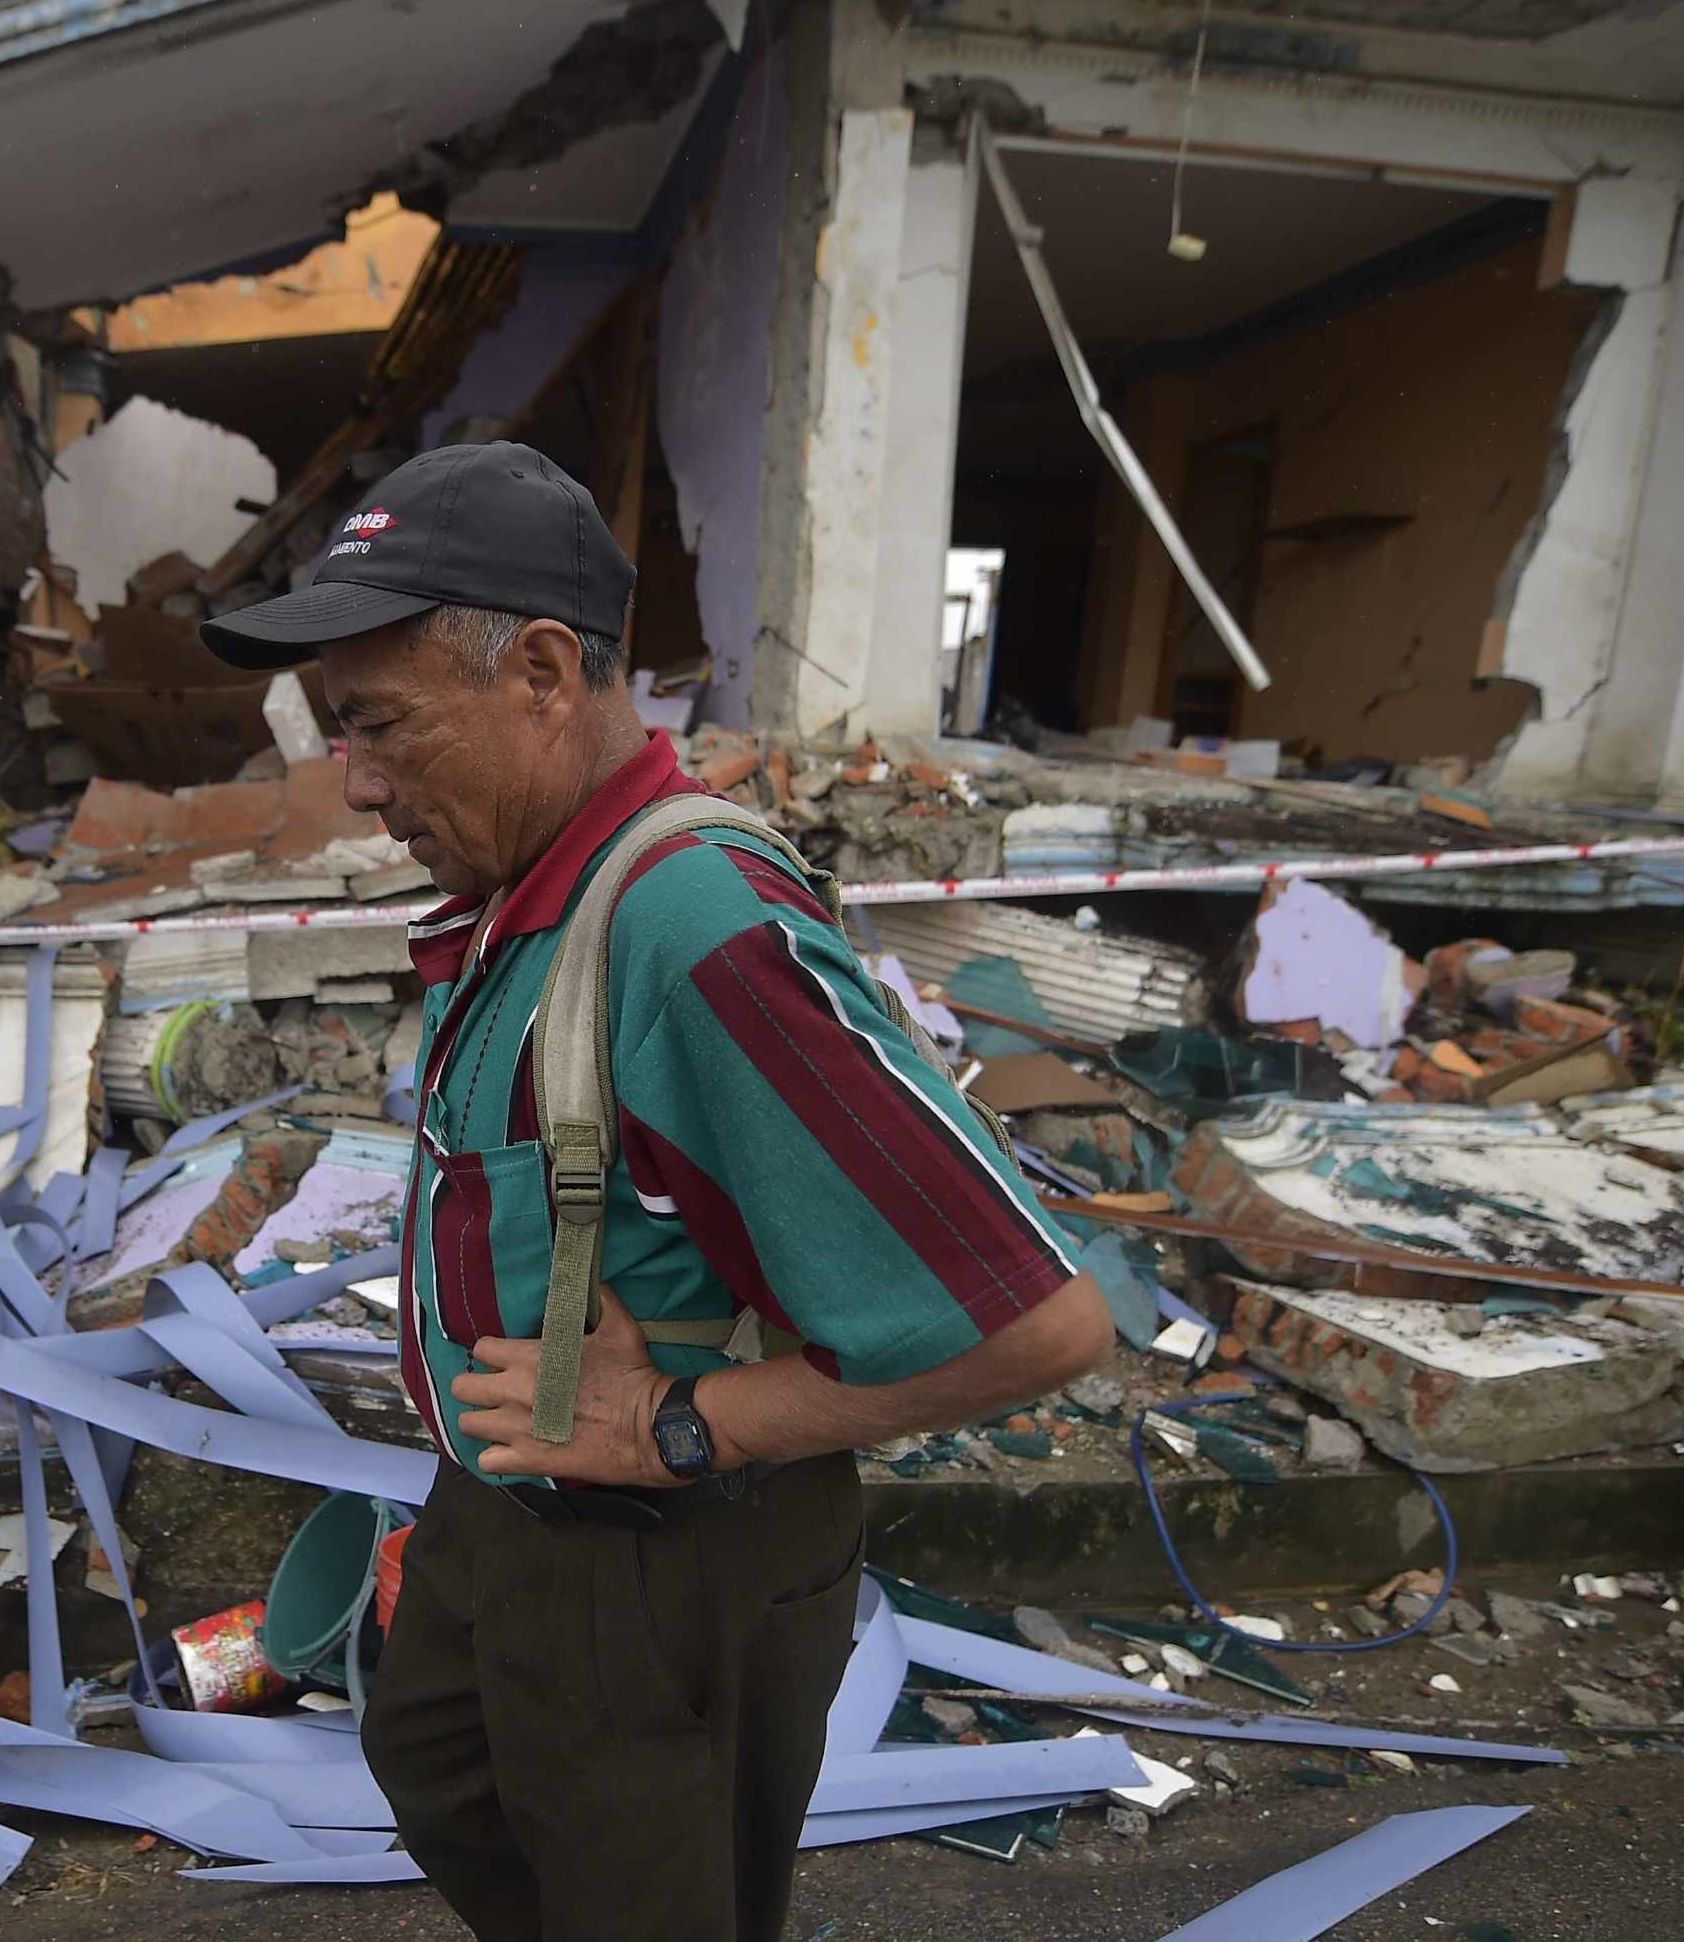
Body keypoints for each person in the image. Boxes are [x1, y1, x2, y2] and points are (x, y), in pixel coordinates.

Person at [199, 442, 1114, 1942]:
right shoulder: (534, 892)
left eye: (380, 726)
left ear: (542, 673)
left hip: (662, 1561)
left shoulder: (695, 928)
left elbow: (1039, 1329)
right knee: (440, 1767)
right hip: (519, 1510)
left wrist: (675, 1426)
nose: (354, 784)